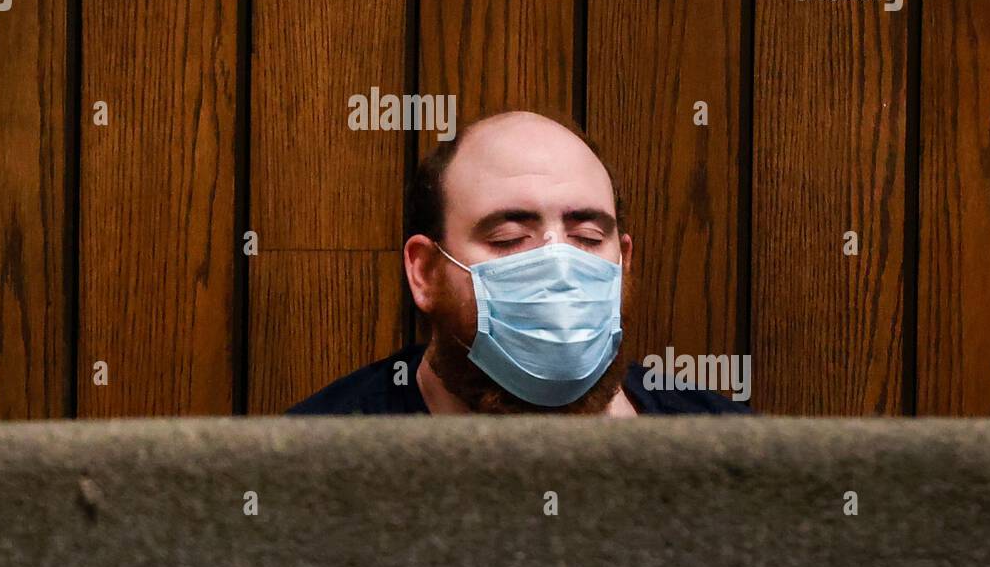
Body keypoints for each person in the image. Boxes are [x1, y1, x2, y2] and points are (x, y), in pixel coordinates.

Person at [287, 110, 752, 416]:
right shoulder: (313, 470)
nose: (559, 266)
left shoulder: (733, 460)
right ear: (424, 272)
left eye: (587, 237)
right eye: (509, 238)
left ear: (624, 262)